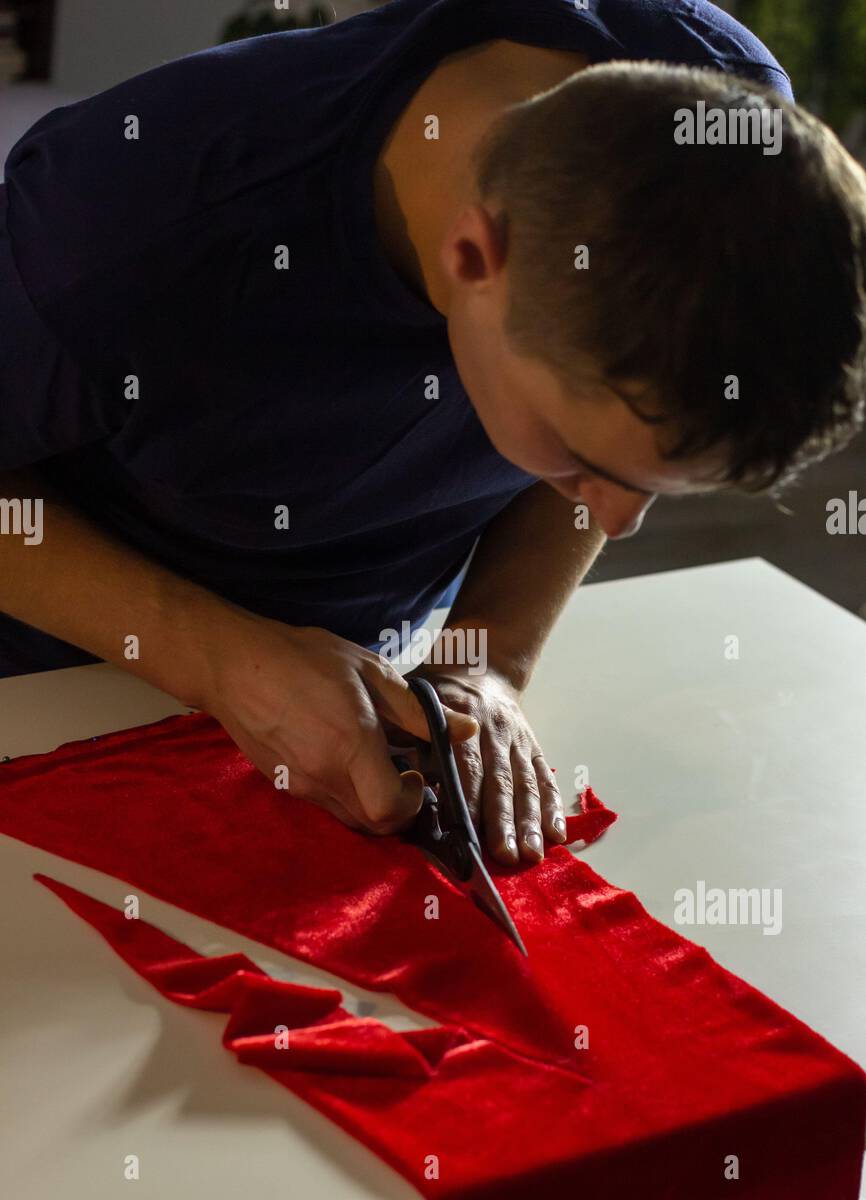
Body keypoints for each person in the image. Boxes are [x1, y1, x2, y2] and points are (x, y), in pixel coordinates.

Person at [1, 0, 864, 864]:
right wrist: (218, 661)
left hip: (361, 682)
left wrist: (486, 660)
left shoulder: (726, 134)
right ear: (471, 259)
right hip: (53, 689)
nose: (613, 523)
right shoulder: (131, 216)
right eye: (578, 459)